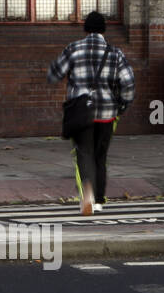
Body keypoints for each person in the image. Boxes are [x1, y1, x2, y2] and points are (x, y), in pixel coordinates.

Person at [47, 11, 136, 215]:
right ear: (104, 30)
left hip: (81, 111)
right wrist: (122, 104)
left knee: (83, 154)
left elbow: (54, 74)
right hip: (107, 113)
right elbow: (129, 83)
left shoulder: (74, 49)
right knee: (100, 156)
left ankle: (86, 192)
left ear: (85, 29)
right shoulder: (115, 53)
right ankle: (99, 201)